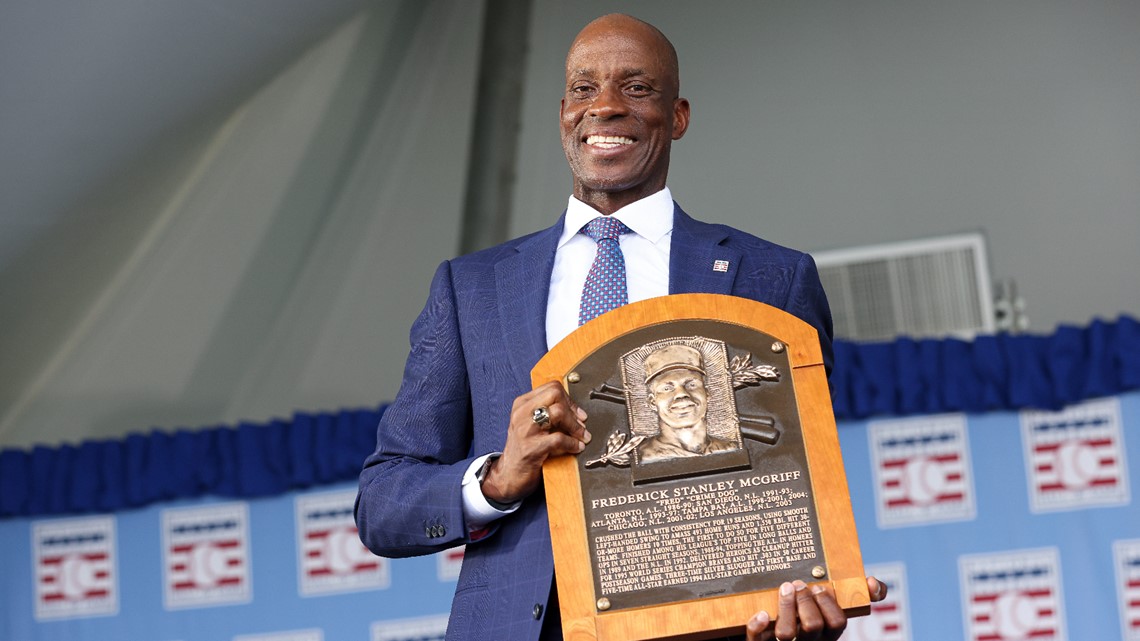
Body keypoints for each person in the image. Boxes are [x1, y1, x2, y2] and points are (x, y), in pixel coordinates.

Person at [355, 13, 886, 641]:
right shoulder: (471, 288)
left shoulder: (772, 277)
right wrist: (499, 478)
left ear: (679, 116)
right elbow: (384, 501)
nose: (604, 107)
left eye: (636, 88)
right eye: (584, 89)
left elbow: (796, 481)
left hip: (713, 626)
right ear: (561, 114)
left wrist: (807, 601)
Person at [637, 343, 738, 462]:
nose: (681, 394)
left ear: (707, 393)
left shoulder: (730, 448)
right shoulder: (643, 456)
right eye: (667, 388)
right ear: (652, 402)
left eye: (692, 385)